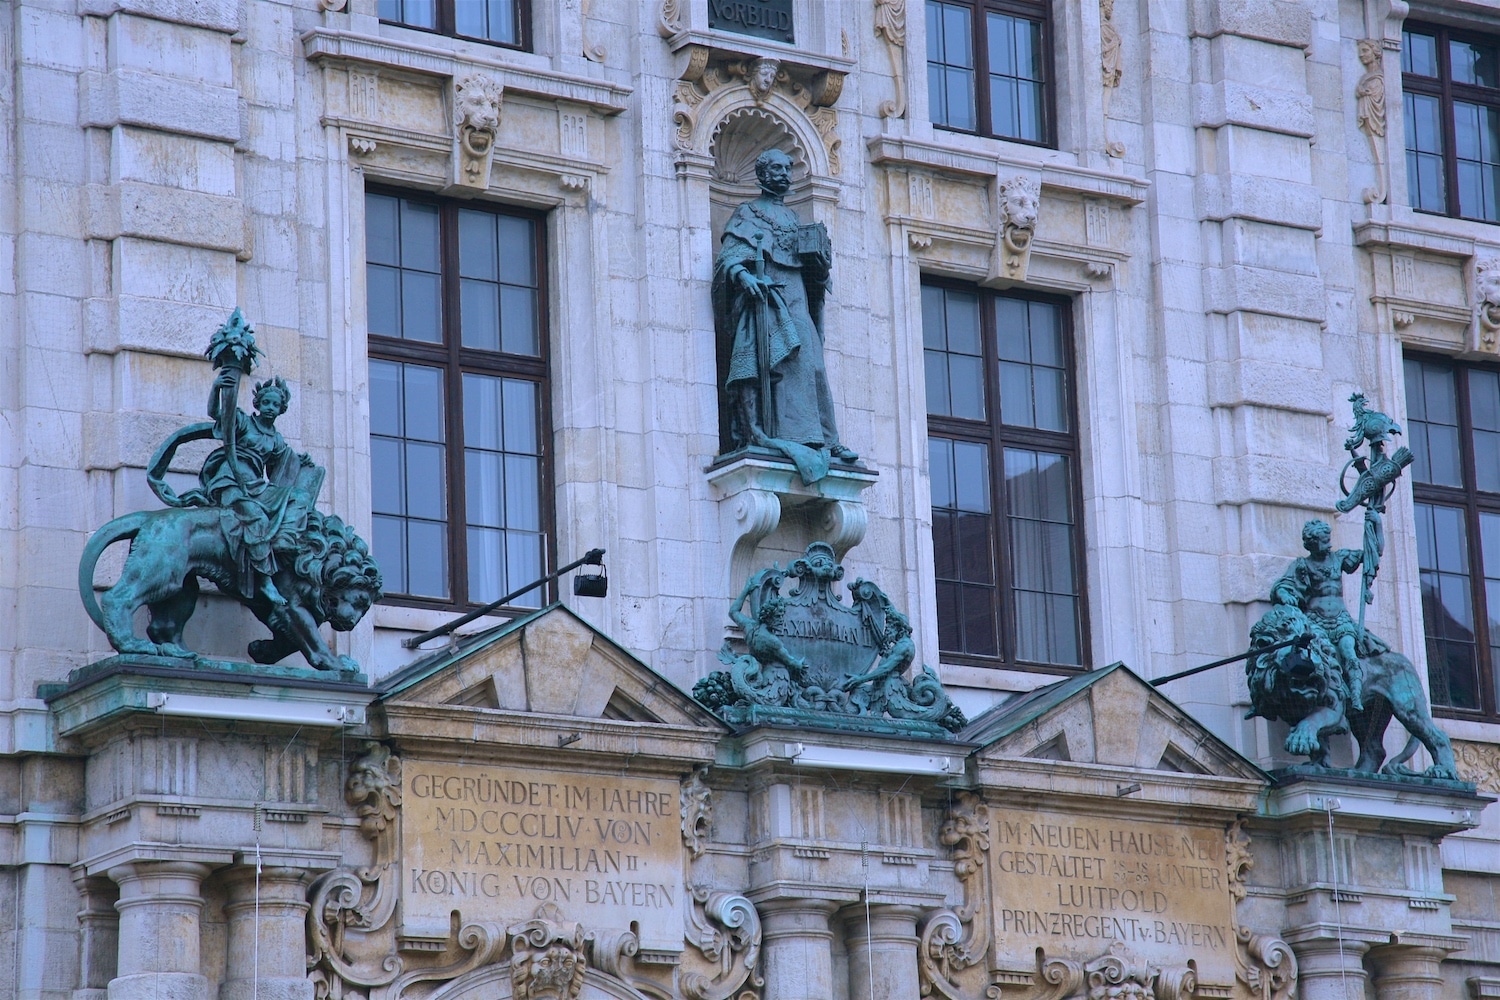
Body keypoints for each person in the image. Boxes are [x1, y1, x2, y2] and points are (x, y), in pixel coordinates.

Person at [712, 148, 857, 482]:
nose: (784, 174)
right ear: (762, 174)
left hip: (796, 297)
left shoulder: (793, 218)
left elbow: (810, 272)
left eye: (788, 168)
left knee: (813, 364)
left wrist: (819, 266)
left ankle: (824, 440)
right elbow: (728, 260)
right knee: (773, 365)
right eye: (776, 168)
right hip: (767, 298)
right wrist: (745, 276)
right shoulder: (747, 213)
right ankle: (767, 433)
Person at [199, 372, 318, 616]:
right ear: (258, 404)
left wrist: (299, 460)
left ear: (281, 409)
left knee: (298, 499)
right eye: (266, 403)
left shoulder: (277, 440)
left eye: (275, 405)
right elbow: (216, 413)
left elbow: (282, 467)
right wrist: (216, 388)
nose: (270, 408)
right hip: (231, 479)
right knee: (256, 518)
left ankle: (284, 539)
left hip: (255, 484)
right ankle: (265, 580)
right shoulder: (244, 423)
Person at [1270, 519, 1372, 713]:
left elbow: (1371, 554)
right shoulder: (1303, 565)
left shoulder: (1339, 558)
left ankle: (1356, 696)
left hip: (1340, 620)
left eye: (1328, 540)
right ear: (1312, 543)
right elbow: (1282, 585)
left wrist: (1374, 527)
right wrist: (1285, 595)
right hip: (1316, 622)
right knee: (1323, 658)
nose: (1329, 545)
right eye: (1324, 542)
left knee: (1349, 653)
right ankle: (1330, 695)